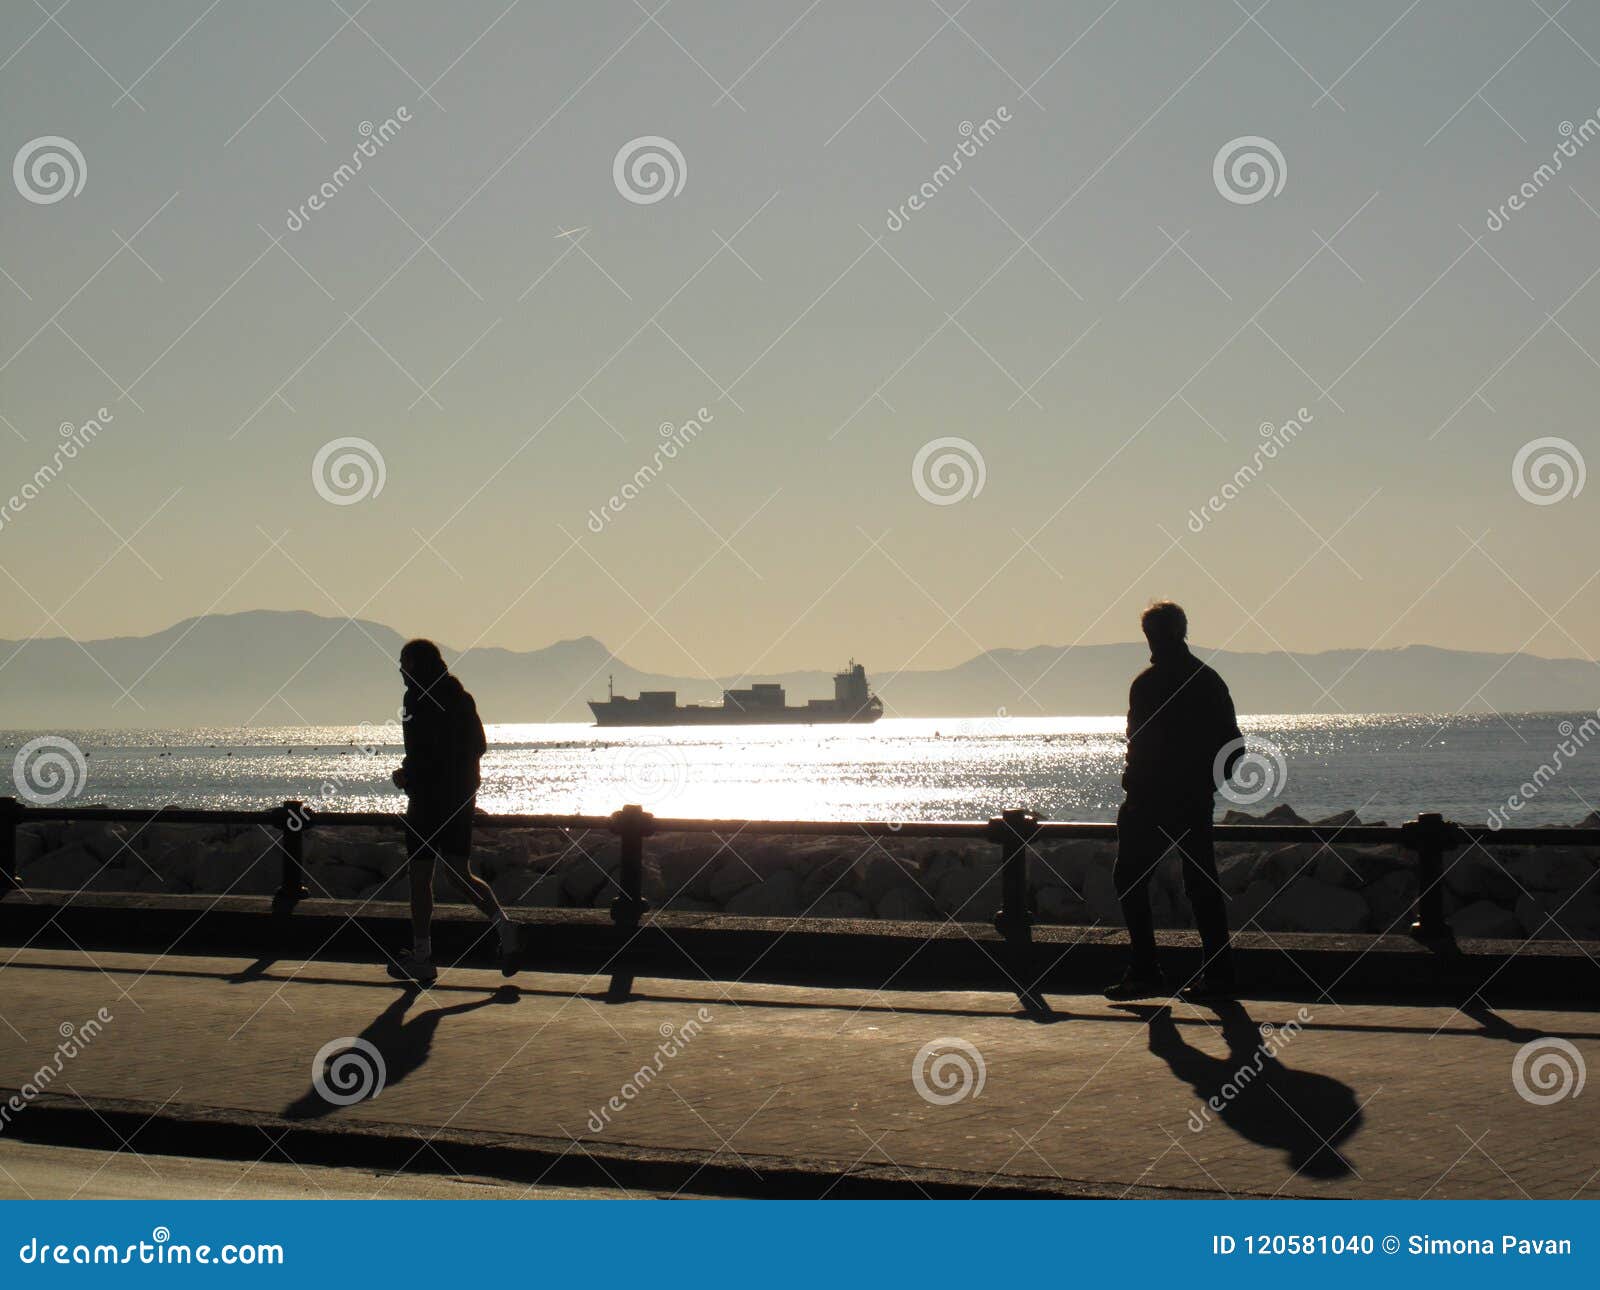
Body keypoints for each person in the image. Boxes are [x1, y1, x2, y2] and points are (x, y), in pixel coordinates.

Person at [1105, 602, 1244, 1001]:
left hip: (1149, 800)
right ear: (1183, 630)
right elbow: (1234, 747)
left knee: (1130, 878)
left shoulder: (1147, 684)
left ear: (1150, 635)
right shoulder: (1208, 679)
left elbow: (1139, 744)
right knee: (1201, 883)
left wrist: (1136, 784)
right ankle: (1218, 973)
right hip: (1191, 800)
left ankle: (1146, 969)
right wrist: (1207, 786)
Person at [388, 638, 519, 984]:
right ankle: (504, 928)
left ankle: (422, 957)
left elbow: (422, 752)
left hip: (427, 802)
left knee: (420, 878)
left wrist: (408, 775)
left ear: (416, 665)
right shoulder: (461, 697)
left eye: (404, 663)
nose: (400, 669)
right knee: (459, 873)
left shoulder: (414, 699)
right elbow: (478, 746)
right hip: (460, 800)